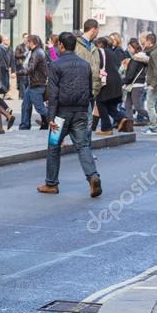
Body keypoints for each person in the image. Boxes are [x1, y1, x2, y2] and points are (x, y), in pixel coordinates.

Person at [37, 31, 102, 198]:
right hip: (80, 111)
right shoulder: (84, 64)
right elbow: (89, 89)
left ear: (61, 45)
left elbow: (53, 94)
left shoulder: (56, 65)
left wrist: (50, 118)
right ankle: (93, 176)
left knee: (53, 146)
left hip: (60, 114)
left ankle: (51, 183)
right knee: (82, 146)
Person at [94, 37, 125, 136]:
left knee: (100, 102)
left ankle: (106, 128)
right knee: (108, 104)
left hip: (106, 81)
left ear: (100, 44)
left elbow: (97, 66)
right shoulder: (112, 52)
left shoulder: (100, 52)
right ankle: (121, 117)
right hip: (115, 80)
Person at [19, 35, 49, 130]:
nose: (26, 44)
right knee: (25, 104)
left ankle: (58, 121)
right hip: (34, 83)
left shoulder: (37, 53)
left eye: (28, 42)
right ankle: (24, 125)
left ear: (32, 43)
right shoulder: (36, 51)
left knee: (40, 108)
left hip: (37, 84)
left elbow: (30, 69)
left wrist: (17, 73)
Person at [119, 38, 147, 132]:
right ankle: (129, 126)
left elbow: (130, 75)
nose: (128, 50)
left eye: (129, 48)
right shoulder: (140, 58)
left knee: (138, 107)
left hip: (136, 85)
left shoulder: (135, 59)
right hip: (135, 85)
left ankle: (156, 120)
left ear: (133, 48)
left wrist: (123, 81)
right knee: (128, 105)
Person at [74, 19, 103, 100]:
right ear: (94, 29)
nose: (98, 33)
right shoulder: (76, 45)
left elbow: (95, 66)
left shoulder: (93, 47)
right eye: (98, 30)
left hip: (93, 90)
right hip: (80, 89)